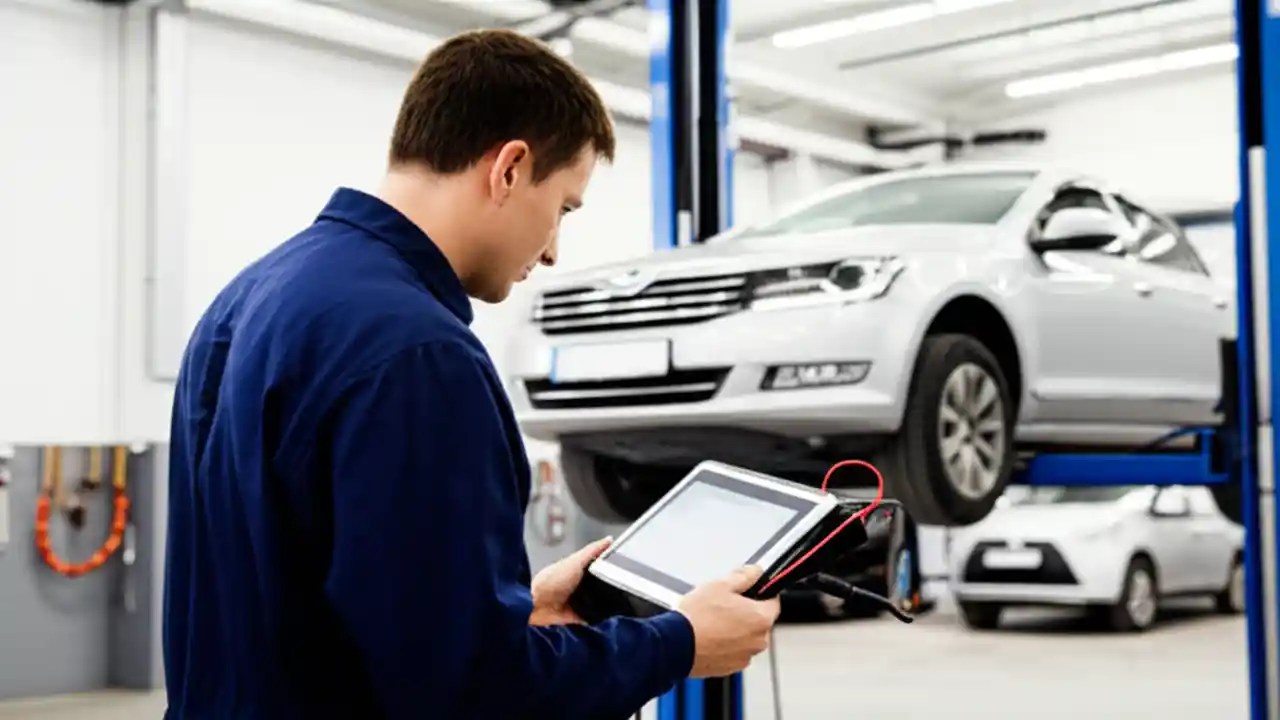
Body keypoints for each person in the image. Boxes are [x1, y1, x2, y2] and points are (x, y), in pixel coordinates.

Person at [162, 28, 780, 719]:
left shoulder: (251, 299)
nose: (551, 251)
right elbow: (474, 695)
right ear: (510, 169)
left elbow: (313, 601)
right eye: (564, 209)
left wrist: (509, 608)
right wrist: (678, 643)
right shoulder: (418, 354)